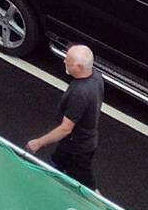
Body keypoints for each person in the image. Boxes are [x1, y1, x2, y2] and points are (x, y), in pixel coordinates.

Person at [26, 45, 104, 190]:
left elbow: (65, 129)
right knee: (56, 164)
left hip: (77, 150)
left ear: (79, 67)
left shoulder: (80, 94)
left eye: (68, 60)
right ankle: (43, 187)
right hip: (75, 143)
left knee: (88, 188)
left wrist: (38, 143)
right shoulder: (96, 77)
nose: (64, 61)